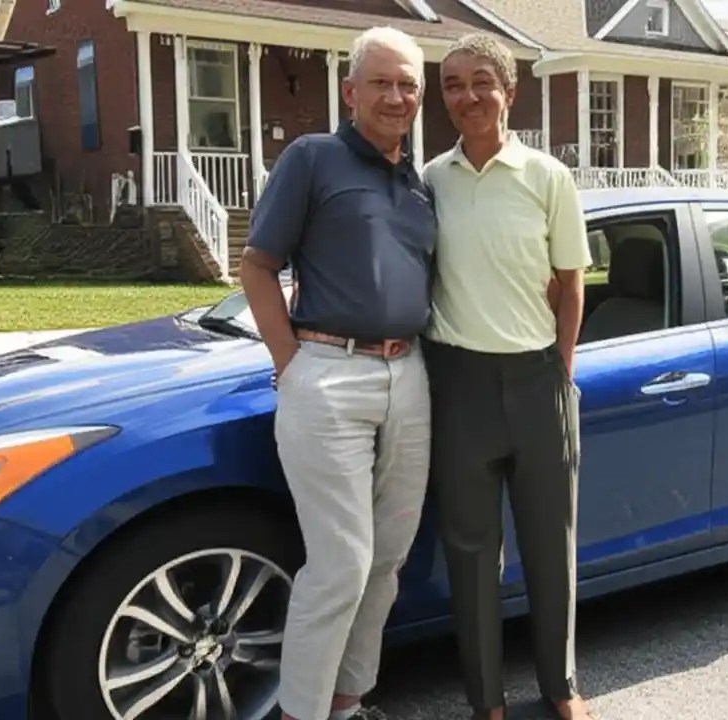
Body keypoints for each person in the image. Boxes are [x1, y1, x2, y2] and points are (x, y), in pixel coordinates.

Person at [238, 26, 436, 720]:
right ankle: (301, 713)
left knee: (386, 559)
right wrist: (290, 364)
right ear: (350, 91)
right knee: (341, 564)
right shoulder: (314, 158)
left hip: (408, 375)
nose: (395, 95)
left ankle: (348, 702)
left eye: (407, 83)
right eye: (380, 82)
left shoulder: (419, 181)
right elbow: (258, 267)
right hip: (327, 372)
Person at [420, 32, 596, 720]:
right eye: (453, 85)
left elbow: (573, 286)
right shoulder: (430, 180)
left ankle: (562, 687)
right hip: (459, 385)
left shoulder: (548, 177)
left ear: (509, 91)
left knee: (552, 548)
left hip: (537, 381)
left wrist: (561, 371)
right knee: (471, 556)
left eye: (481, 82)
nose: (468, 96)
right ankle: (485, 701)